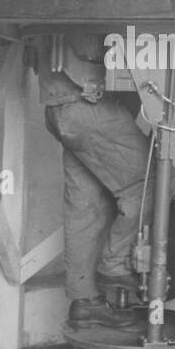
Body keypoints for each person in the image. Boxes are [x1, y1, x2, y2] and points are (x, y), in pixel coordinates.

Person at [33, 32, 151, 330]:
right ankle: (115, 267)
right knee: (151, 182)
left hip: (62, 106)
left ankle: (86, 303)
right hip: (87, 103)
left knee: (87, 206)